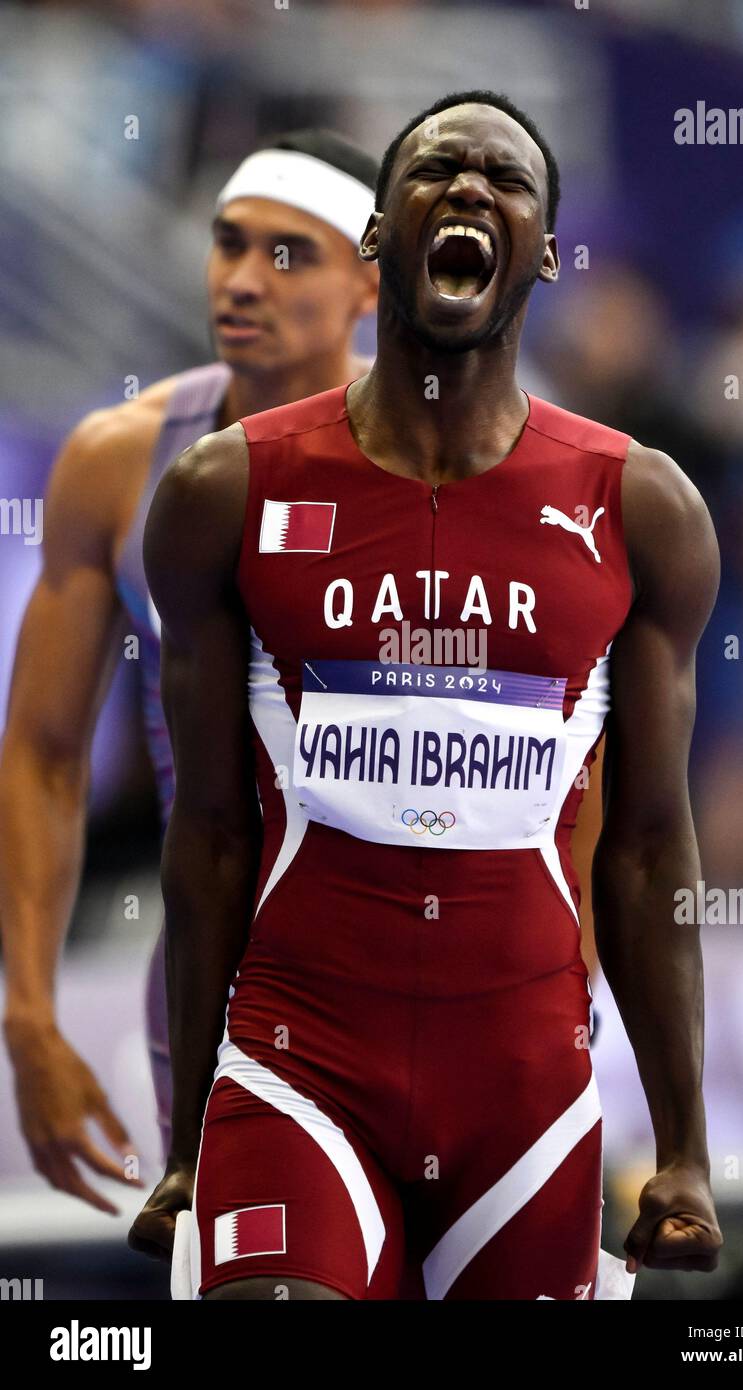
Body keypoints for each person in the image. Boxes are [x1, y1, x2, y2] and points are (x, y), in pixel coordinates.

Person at [130, 90, 722, 1300]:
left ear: (546, 251)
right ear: (374, 240)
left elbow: (652, 849)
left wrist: (686, 1150)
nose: (467, 189)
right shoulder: (223, 492)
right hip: (299, 1066)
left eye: (504, 182)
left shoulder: (640, 506)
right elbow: (206, 833)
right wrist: (189, 1140)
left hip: (525, 1100)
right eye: (435, 169)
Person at [0, 130, 379, 1214]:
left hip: (436, 977)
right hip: (217, 994)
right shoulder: (117, 459)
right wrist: (29, 1016)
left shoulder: (452, 457)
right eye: (227, 243)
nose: (242, 279)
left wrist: (563, 983)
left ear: (369, 280)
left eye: (287, 253)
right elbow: (42, 751)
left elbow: (566, 736)